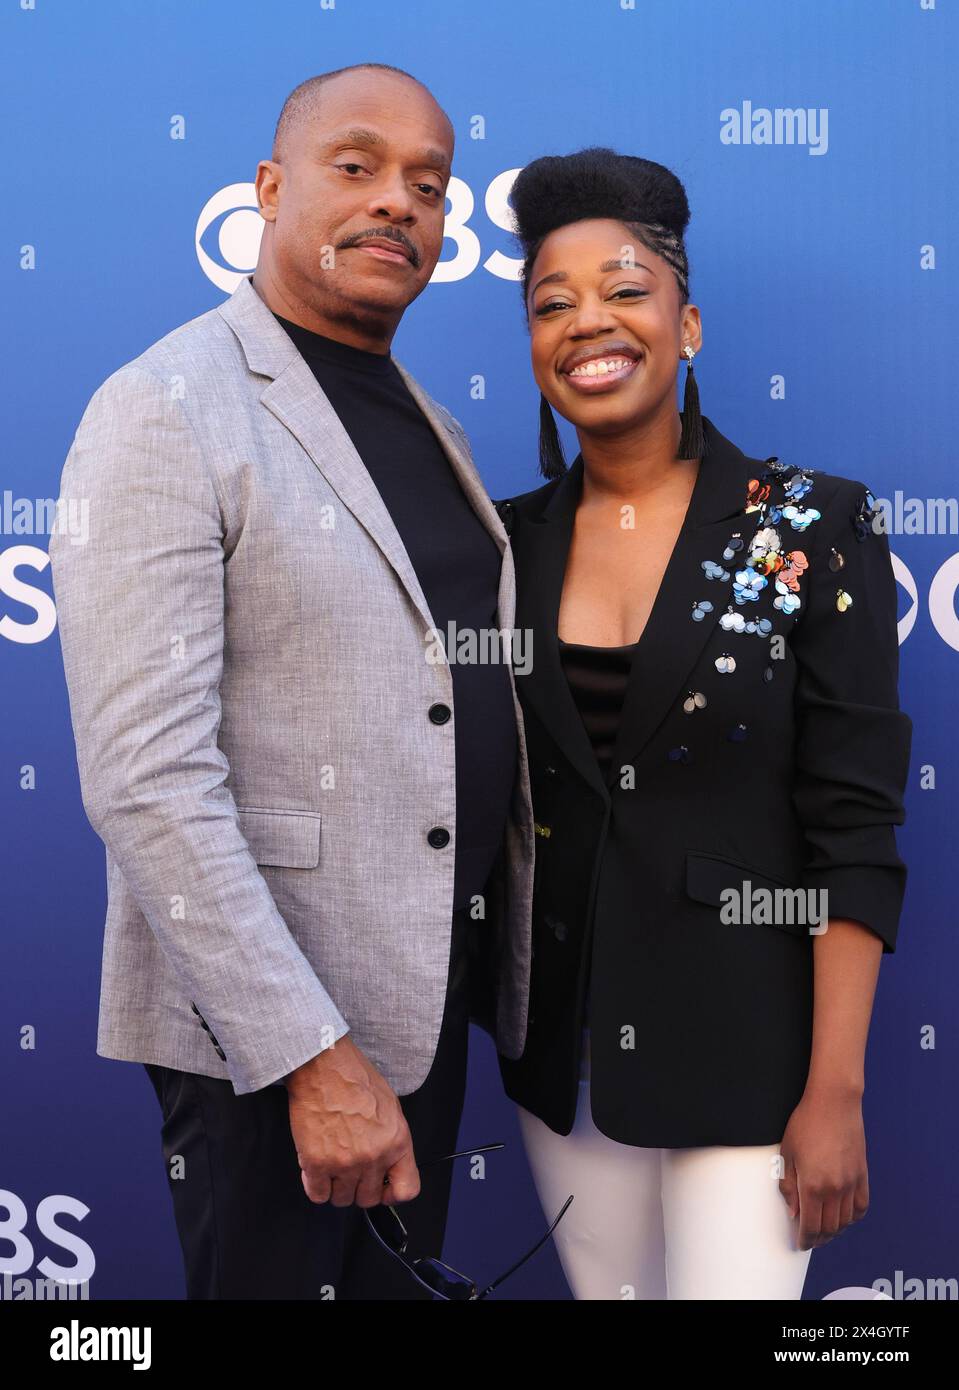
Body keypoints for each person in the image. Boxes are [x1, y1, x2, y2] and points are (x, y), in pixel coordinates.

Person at [47, 63, 535, 1300]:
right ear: (269, 188)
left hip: (419, 1009)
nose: (397, 203)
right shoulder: (165, 405)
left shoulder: (432, 423)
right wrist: (307, 1053)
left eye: (428, 184)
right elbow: (145, 778)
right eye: (356, 166)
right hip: (268, 1042)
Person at [492, 147, 912, 1300]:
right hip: (568, 1067)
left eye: (624, 290)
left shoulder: (809, 525)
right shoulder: (500, 544)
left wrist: (834, 1089)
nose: (588, 321)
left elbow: (853, 828)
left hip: (756, 1059)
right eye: (550, 304)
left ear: (683, 326)